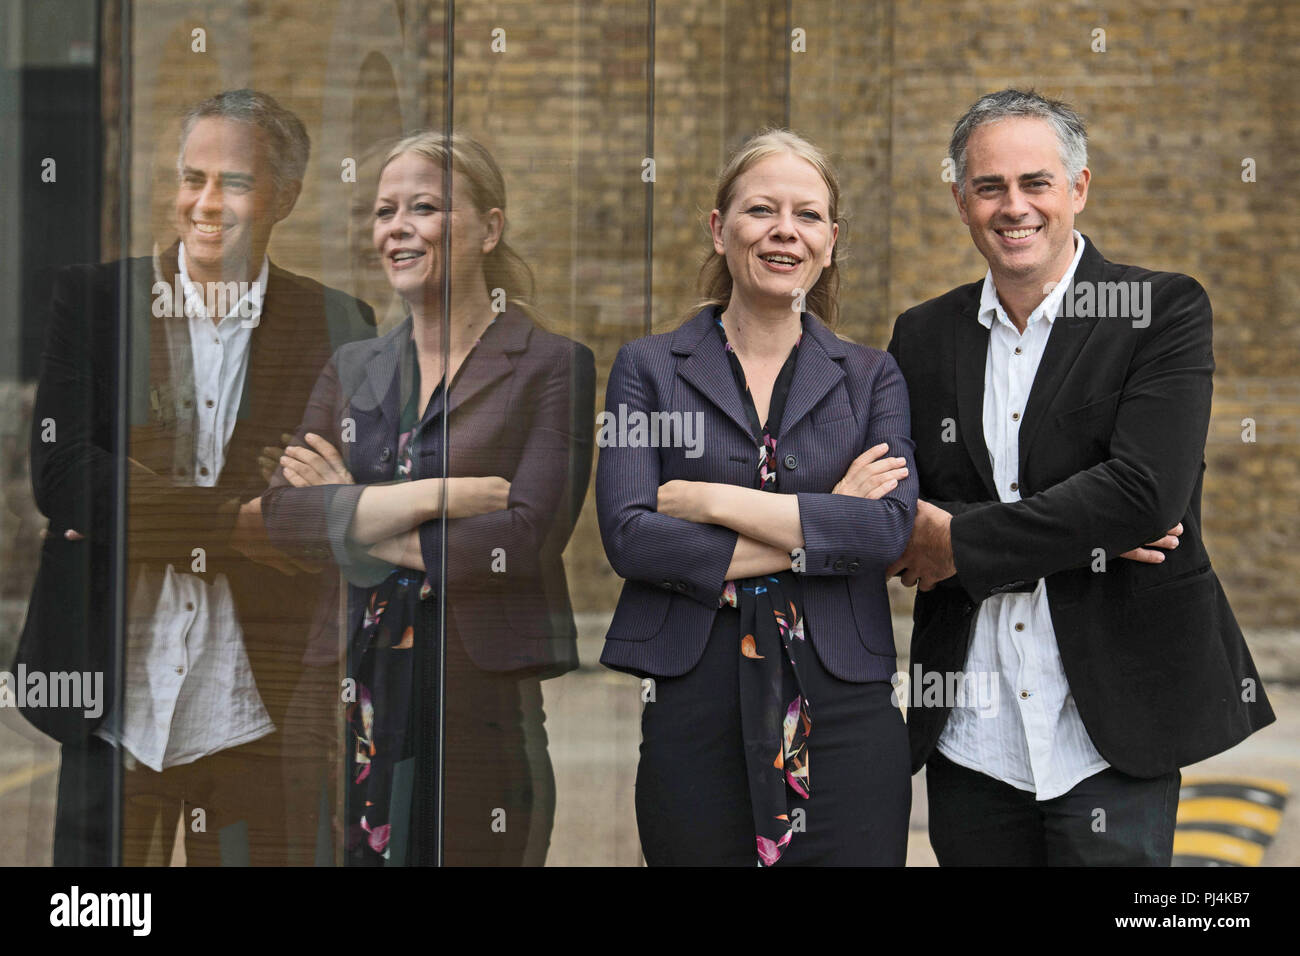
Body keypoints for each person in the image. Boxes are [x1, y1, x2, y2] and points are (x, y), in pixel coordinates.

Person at [883, 88, 1276, 865]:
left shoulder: (1160, 310)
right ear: (960, 200)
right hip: (971, 730)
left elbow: (1143, 494)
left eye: (1036, 183)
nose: (1013, 207)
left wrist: (960, 538)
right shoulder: (922, 335)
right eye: (990, 187)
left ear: (1078, 190)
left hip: (1110, 729)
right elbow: (899, 502)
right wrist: (1079, 525)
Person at [13, 88, 376, 865]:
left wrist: (137, 509)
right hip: (112, 700)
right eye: (191, 177)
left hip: (253, 704)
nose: (205, 203)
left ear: (285, 195)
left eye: (234, 183)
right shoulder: (97, 302)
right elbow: (66, 474)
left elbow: (322, 510)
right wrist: (240, 525)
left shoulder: (338, 324)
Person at [260, 131, 595, 866]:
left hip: (479, 702)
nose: (397, 228)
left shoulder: (551, 366)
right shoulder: (354, 365)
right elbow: (283, 518)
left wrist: (348, 512)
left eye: (424, 208)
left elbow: (519, 540)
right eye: (385, 212)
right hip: (341, 693)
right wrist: (435, 496)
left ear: (490, 229)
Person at [597, 129, 917, 866]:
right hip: (695, 695)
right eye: (760, 210)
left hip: (845, 707)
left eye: (807, 215)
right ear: (719, 229)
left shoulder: (873, 377)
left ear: (831, 242)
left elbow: (886, 533)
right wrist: (826, 517)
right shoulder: (649, 369)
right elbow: (630, 536)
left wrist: (710, 501)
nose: (784, 231)